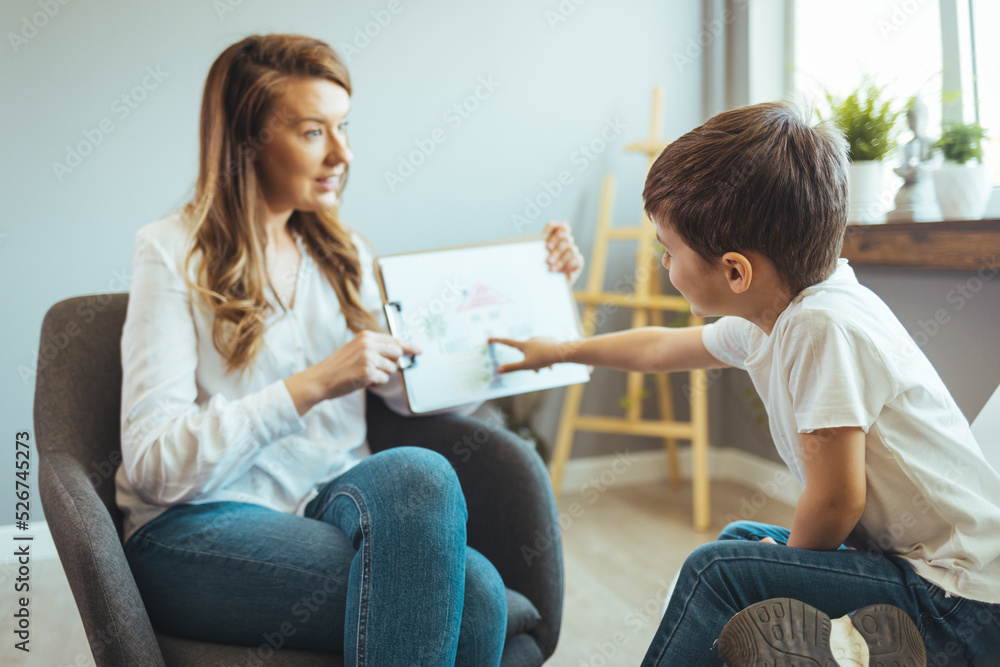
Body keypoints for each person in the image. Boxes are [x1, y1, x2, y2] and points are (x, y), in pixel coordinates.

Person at [116, 33, 583, 666]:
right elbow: (153, 464)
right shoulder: (171, 252)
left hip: (323, 502)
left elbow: (414, 388)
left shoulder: (342, 254)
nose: (342, 154)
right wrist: (313, 383)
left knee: (420, 476)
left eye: (343, 127)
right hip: (196, 523)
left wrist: (539, 291)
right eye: (314, 132)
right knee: (474, 601)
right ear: (247, 142)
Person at [491, 100, 1000, 666]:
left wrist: (786, 566)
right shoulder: (777, 314)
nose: (663, 263)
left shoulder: (820, 327)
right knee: (738, 541)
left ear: (736, 271)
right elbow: (659, 348)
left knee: (718, 571)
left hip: (958, 600)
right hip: (910, 569)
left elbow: (836, 500)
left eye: (669, 251)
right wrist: (557, 352)